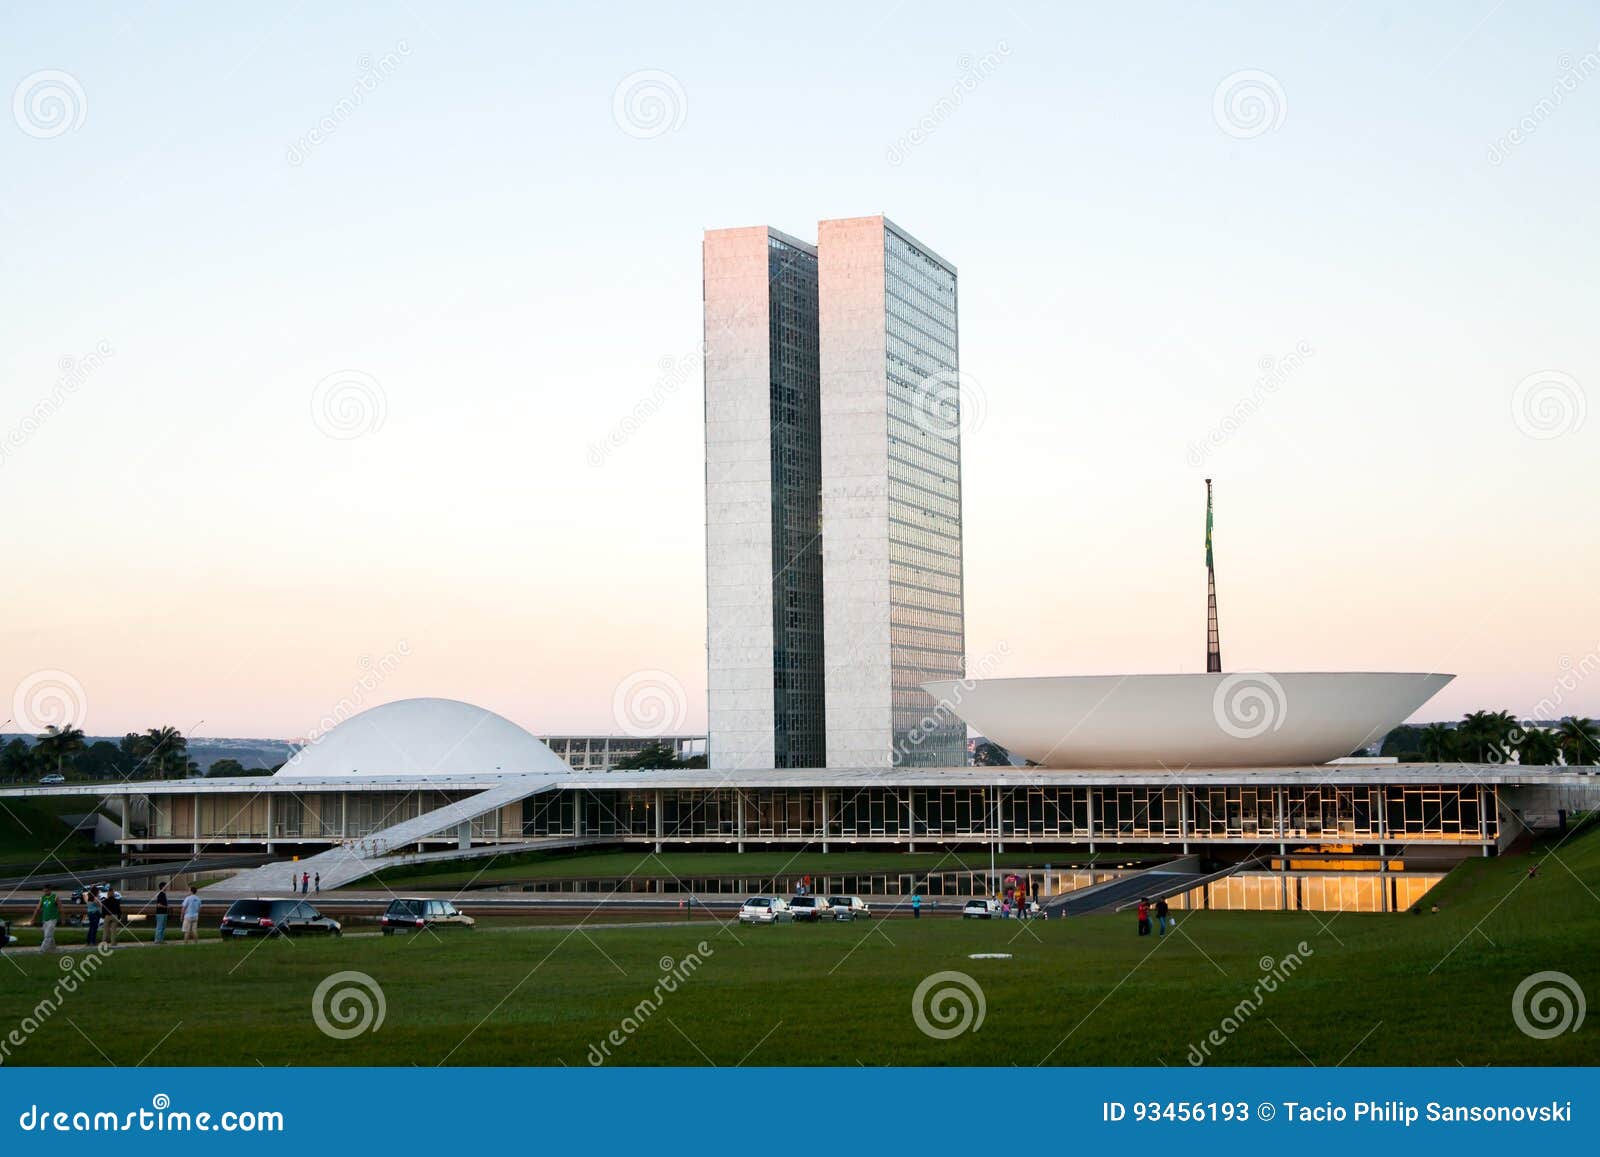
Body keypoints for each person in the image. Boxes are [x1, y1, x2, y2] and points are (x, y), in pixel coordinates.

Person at [32, 886, 60, 952]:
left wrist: (64, 918)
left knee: (47, 936)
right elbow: (37, 908)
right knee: (49, 935)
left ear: (50, 890)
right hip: (45, 919)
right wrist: (33, 918)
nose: (45, 892)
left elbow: (60, 907)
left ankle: (42, 951)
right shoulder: (42, 898)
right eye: (44, 891)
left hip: (52, 919)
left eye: (46, 891)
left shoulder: (55, 897)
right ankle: (53, 949)